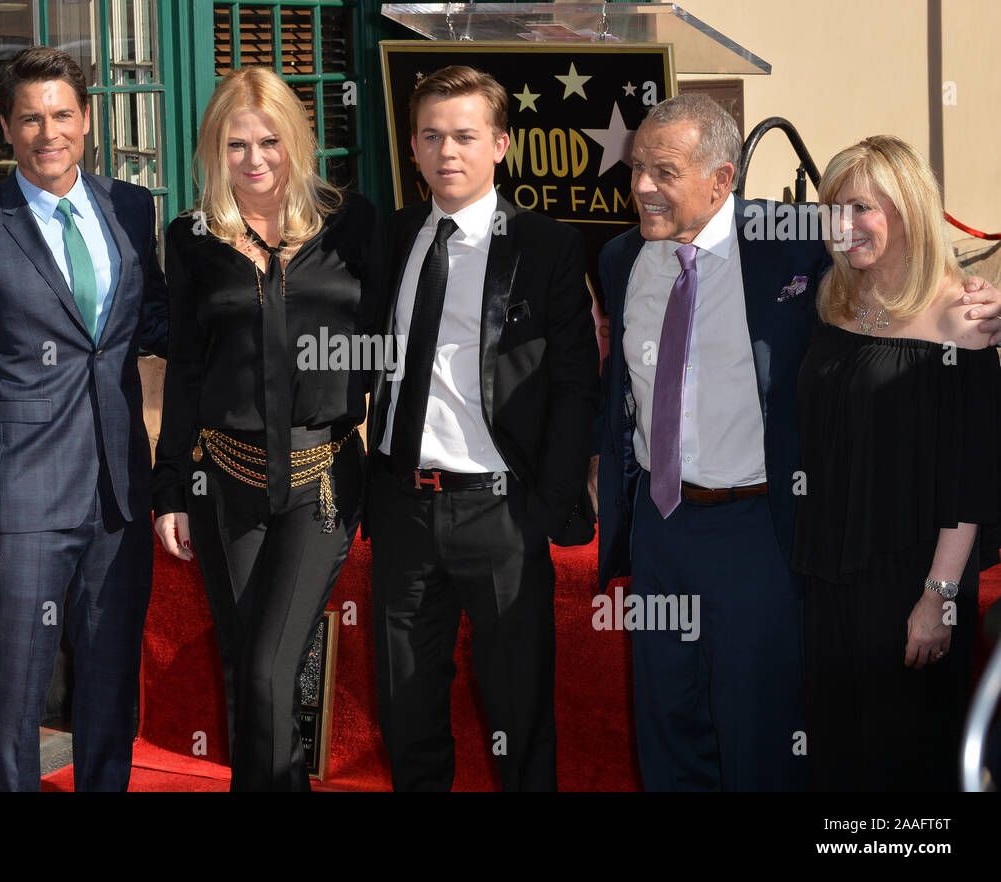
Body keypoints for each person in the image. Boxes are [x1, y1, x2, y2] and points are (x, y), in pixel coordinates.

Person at [594, 94, 1000, 792]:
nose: (641, 188)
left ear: (722, 179)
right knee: (668, 726)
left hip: (760, 532)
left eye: (663, 170)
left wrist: (982, 301)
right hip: (659, 534)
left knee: (761, 736)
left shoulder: (790, 244)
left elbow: (903, 266)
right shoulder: (620, 258)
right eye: (635, 169)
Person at [0, 46, 168, 791]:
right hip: (21, 495)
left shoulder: (132, 206)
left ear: (87, 120)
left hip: (121, 490)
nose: (48, 132)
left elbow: (150, 322)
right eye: (30, 118)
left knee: (109, 682)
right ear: (5, 129)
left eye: (62, 114)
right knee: (18, 687)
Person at [365, 65, 599, 792]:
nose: (448, 152)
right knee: (406, 710)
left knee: (517, 710)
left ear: (500, 144)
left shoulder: (546, 246)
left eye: (465, 136)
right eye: (431, 136)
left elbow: (574, 385)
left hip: (500, 510)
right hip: (403, 506)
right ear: (411, 146)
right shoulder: (394, 234)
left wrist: (540, 509)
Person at [151, 67, 377, 791]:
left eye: (269, 142)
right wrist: (169, 491)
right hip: (223, 480)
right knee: (247, 663)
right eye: (235, 144)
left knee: (267, 667)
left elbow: (390, 338)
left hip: (323, 479)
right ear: (213, 150)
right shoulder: (189, 237)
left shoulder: (353, 222)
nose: (254, 160)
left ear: (297, 142)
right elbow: (186, 366)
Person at [792, 135, 1000, 791]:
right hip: (830, 573)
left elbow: (973, 475)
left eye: (861, 209)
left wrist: (937, 597)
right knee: (839, 756)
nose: (841, 227)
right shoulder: (832, 299)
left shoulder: (963, 318)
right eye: (833, 209)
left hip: (913, 579)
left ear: (908, 211)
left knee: (906, 760)